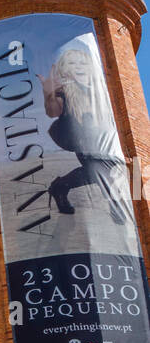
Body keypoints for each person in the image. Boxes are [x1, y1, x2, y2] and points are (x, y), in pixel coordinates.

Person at [39, 45, 130, 225]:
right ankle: (116, 206)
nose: (78, 66)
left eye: (83, 62)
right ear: (64, 68)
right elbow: (53, 111)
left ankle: (60, 187)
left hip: (106, 138)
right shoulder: (64, 90)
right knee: (100, 169)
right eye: (72, 63)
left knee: (94, 171)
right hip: (82, 139)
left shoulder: (100, 89)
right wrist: (49, 95)